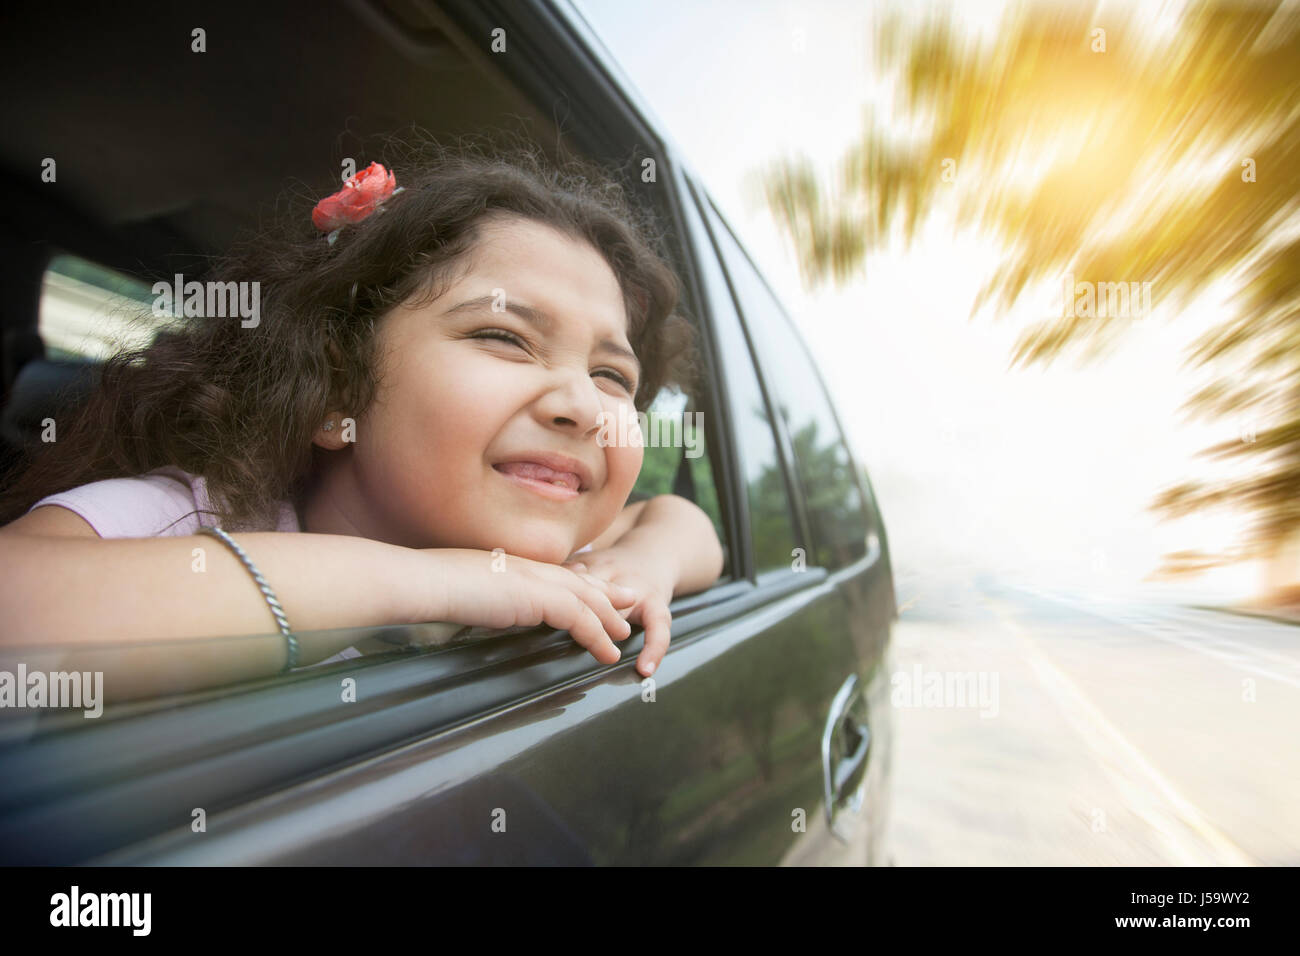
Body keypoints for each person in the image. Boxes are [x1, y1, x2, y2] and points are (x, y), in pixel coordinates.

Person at [0, 139, 724, 705]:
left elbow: (681, 524)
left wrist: (642, 566)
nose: (582, 404)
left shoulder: (559, 545)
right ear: (334, 390)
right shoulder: (193, 519)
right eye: (503, 338)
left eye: (613, 376)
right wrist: (429, 583)